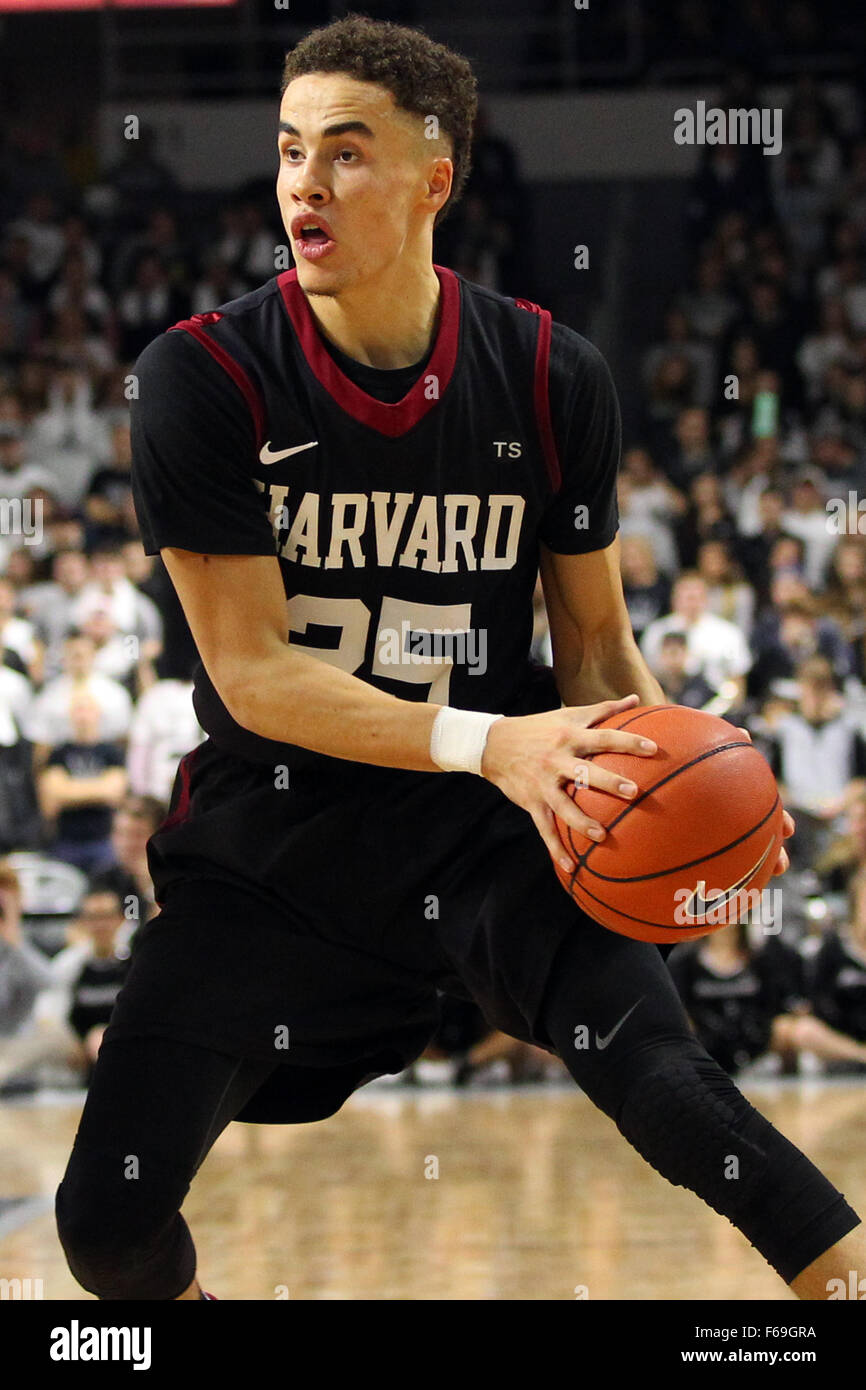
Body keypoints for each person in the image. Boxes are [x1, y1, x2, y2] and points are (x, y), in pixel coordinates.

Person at [56, 15, 862, 1303]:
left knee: (678, 1092)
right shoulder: (202, 378)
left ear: (438, 178)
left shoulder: (550, 374)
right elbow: (254, 674)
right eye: (289, 151)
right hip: (276, 847)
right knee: (107, 1226)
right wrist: (498, 740)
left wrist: (701, 775)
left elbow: (595, 646)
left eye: (347, 153)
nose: (304, 185)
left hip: (503, 828)